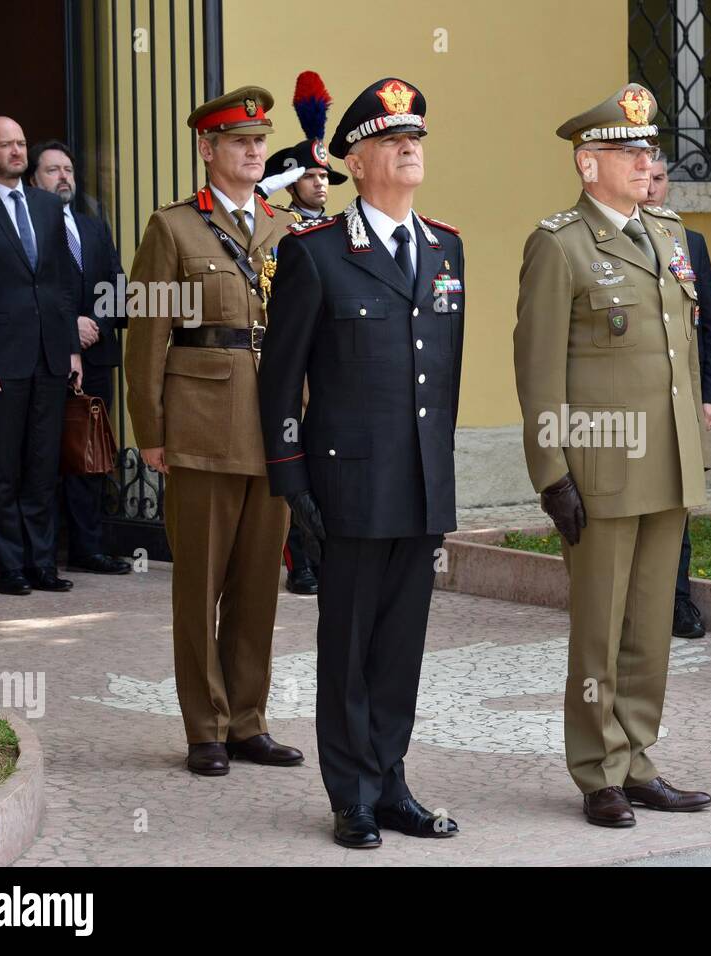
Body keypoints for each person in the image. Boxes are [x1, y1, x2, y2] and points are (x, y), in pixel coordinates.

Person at [259, 77, 463, 849]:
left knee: (400, 648)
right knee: (346, 649)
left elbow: (442, 375)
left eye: (415, 137)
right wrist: (292, 478)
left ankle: (392, 783)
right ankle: (353, 797)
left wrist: (440, 471)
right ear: (355, 159)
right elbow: (279, 379)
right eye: (392, 139)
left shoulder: (445, 247)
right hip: (346, 485)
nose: (410, 148)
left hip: (419, 484)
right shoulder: (315, 253)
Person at [514, 83, 711, 828]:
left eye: (647, 150)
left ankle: (638, 760)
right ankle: (597, 770)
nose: (643, 162)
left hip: (667, 462)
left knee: (650, 628)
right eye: (626, 151)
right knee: (599, 630)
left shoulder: (667, 232)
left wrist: (693, 448)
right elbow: (538, 371)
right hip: (599, 471)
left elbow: (681, 353)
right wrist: (551, 474)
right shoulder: (559, 244)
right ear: (587, 163)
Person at [124, 86, 304, 776]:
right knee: (200, 586)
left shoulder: (286, 228)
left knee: (260, 585)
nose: (254, 152)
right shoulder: (173, 228)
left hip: (273, 426)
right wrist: (152, 429)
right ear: (208, 149)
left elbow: (303, 334)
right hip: (201, 426)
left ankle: (248, 722)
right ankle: (206, 726)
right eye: (240, 142)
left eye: (260, 141)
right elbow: (148, 336)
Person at [0, 117, 82, 595]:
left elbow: (62, 286)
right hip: (0, 362)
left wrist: (71, 349)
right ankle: (10, 567)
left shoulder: (48, 206)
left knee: (43, 466)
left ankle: (42, 564)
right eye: (6, 145)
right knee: (1, 467)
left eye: (22, 143)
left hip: (50, 357)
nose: (17, 151)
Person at [259, 71, 351, 596]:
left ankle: (324, 547)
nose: (321, 183)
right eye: (311, 176)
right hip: (292, 353)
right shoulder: (276, 228)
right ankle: (300, 560)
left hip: (330, 357)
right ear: (290, 181)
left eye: (324, 176)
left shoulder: (340, 229)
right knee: (291, 453)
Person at [27, 139, 130, 576]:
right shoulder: (26, 228)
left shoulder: (93, 226)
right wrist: (70, 328)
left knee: (90, 453)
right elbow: (29, 293)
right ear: (34, 180)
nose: (63, 177)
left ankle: (88, 549)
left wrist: (97, 326)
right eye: (52, 170)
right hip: (47, 357)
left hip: (97, 357)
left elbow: (117, 286)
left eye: (68, 169)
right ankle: (42, 556)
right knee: (45, 454)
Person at [644, 157, 711, 640]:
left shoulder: (689, 242)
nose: (651, 187)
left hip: (684, 397)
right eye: (644, 177)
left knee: (679, 502)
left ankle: (677, 600)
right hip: (632, 403)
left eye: (659, 178)